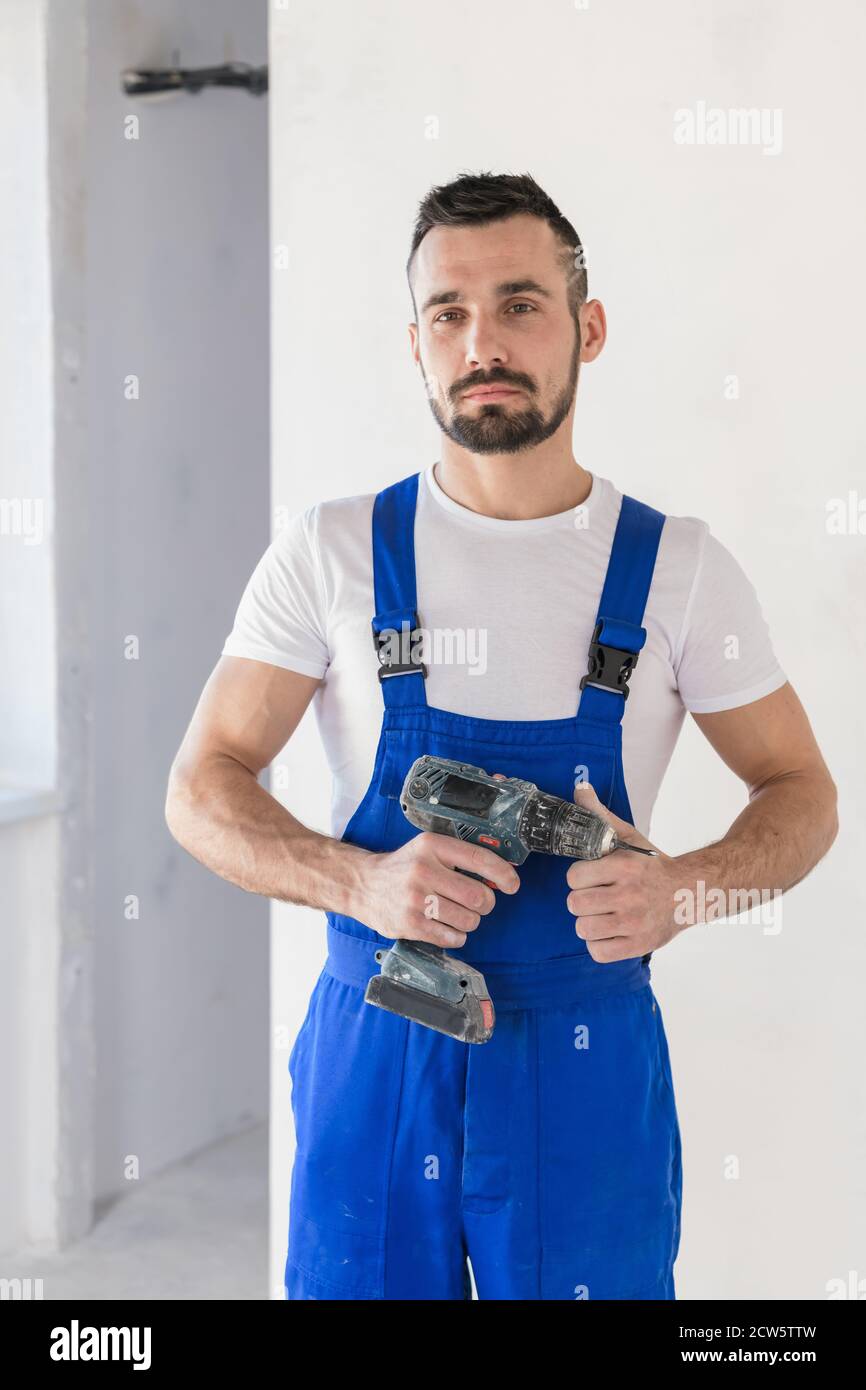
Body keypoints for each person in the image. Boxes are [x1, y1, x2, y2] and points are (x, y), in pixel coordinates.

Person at [165, 172, 838, 1301]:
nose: (482, 340)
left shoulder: (677, 571)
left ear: (587, 327)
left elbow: (801, 791)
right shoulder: (331, 552)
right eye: (449, 312)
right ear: (416, 342)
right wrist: (360, 884)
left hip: (584, 1061)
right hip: (378, 1054)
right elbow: (199, 787)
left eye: (520, 304)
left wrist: (686, 887)